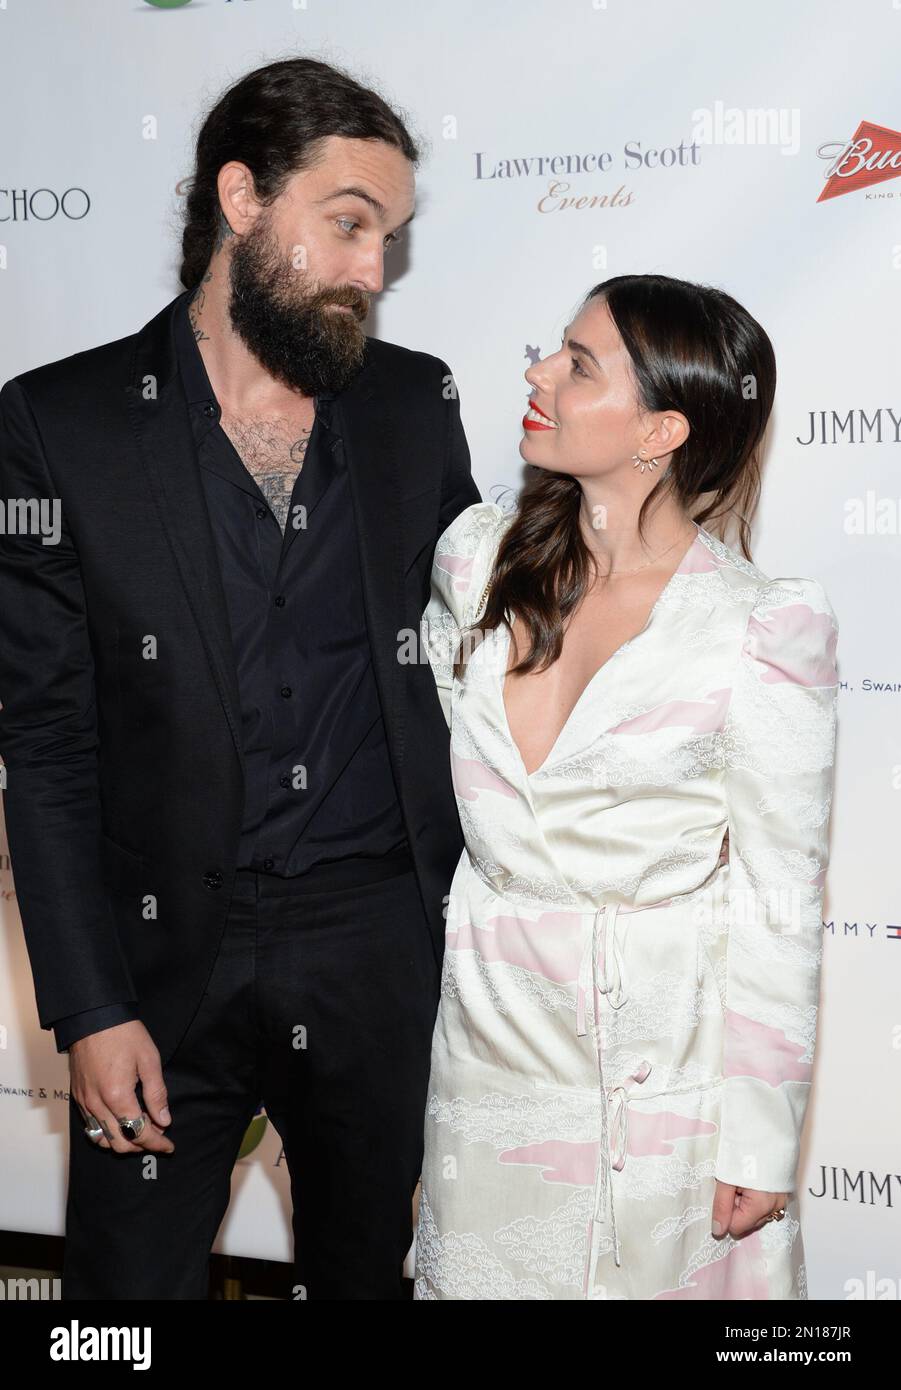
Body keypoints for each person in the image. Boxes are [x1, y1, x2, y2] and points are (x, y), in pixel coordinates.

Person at [0, 57, 479, 1299]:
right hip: (163, 963)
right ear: (241, 199)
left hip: (377, 945)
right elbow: (47, 745)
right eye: (350, 223)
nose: (374, 269)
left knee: (368, 1279)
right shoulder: (62, 426)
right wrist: (90, 1009)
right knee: (117, 1307)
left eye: (389, 237)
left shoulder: (414, 409)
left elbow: (499, 637)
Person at [414, 273, 839, 1300]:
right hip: (488, 1074)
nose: (538, 372)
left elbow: (779, 897)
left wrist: (761, 1136)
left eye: (577, 364)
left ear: (659, 430)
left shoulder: (761, 627)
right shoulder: (472, 561)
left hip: (667, 1099)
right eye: (553, 350)